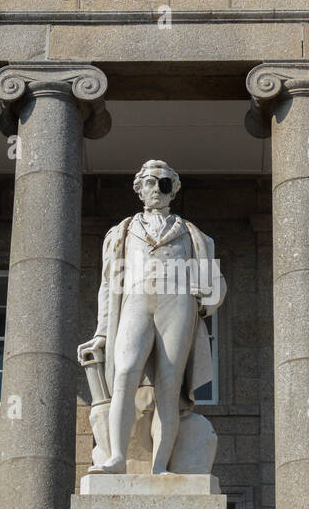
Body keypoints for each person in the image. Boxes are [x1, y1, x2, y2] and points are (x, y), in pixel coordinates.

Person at [78, 160, 226, 474]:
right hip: (135, 298)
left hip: (178, 303)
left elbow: (215, 282)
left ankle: (160, 467)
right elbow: (108, 284)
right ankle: (117, 457)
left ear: (174, 190)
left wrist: (204, 298)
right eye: (149, 182)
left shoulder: (192, 233)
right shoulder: (122, 231)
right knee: (125, 374)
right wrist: (103, 332)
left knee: (168, 388)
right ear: (139, 188)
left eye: (164, 183)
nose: (156, 189)